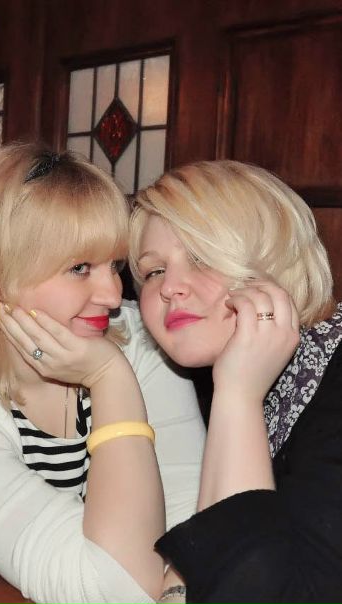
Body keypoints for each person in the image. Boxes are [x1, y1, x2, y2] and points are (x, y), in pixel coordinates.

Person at [0, 143, 205, 604]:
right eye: (79, 268)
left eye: (115, 265)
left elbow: (195, 527)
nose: (113, 295)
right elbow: (112, 588)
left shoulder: (142, 341)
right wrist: (110, 378)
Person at [126, 159, 342, 603]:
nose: (169, 287)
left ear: (276, 261)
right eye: (154, 271)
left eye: (202, 257)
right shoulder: (204, 371)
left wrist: (239, 396)